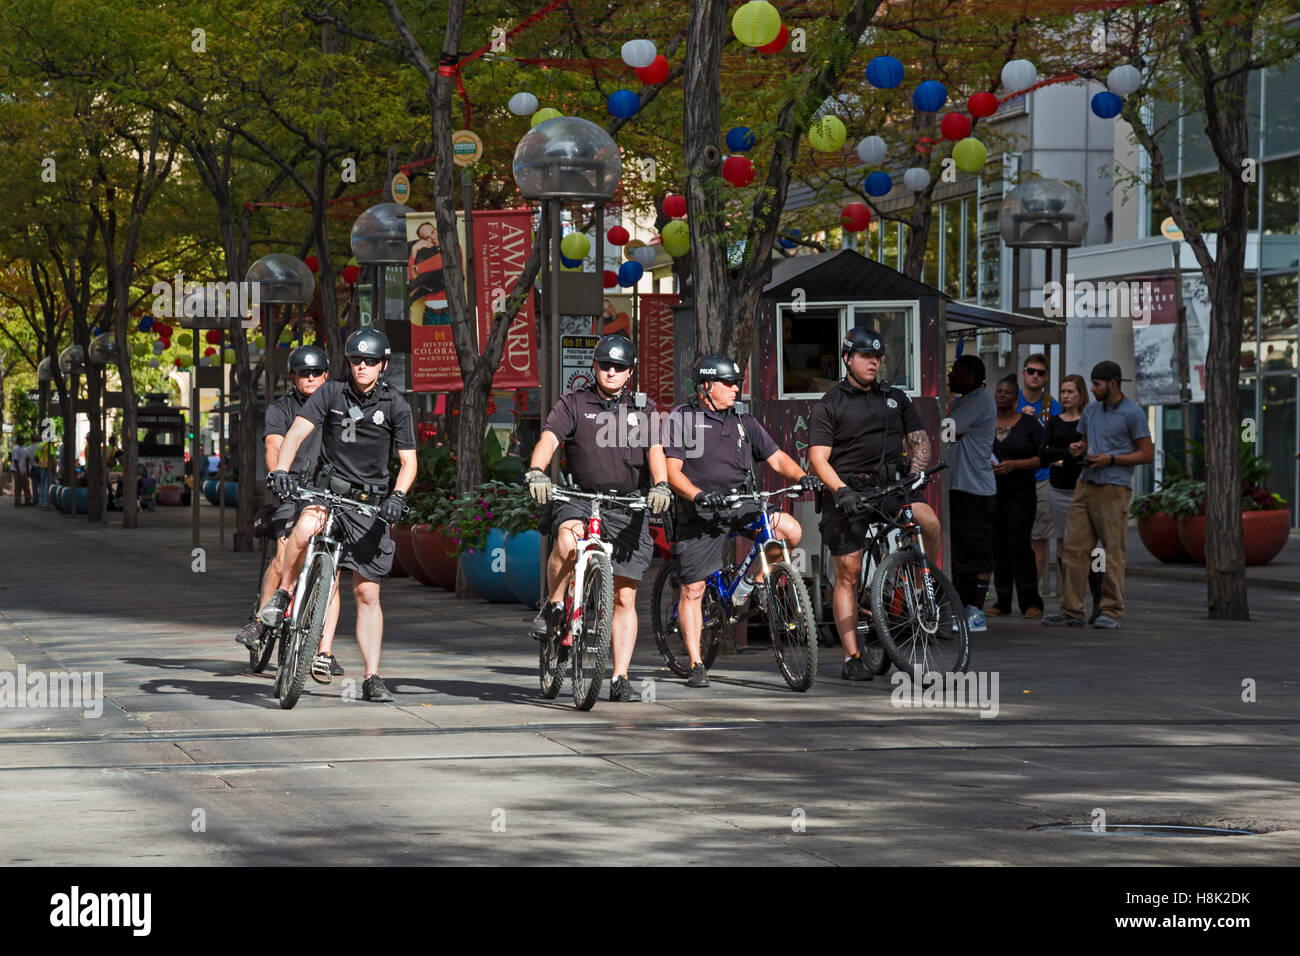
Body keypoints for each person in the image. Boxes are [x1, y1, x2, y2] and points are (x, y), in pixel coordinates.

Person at [261, 329, 417, 701]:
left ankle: (373, 677)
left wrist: (398, 496)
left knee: (366, 593)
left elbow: (409, 463)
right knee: (303, 526)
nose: (362, 366)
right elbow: (296, 433)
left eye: (371, 361)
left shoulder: (397, 404)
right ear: (348, 362)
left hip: (370, 502)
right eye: (356, 360)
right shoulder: (330, 393)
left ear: (383, 364)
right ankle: (283, 596)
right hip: (327, 490)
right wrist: (281, 470)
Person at [525, 334, 673, 702]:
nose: (610, 372)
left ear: (630, 372)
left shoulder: (644, 407)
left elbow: (656, 450)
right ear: (594, 367)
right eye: (605, 365)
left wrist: (662, 485)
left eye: (618, 367)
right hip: (580, 498)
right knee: (566, 540)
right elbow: (549, 438)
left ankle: (620, 677)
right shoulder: (574, 402)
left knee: (624, 597)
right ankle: (555, 604)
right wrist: (537, 471)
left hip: (628, 505)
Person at [663, 354, 818, 688]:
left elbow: (777, 458)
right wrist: (698, 495)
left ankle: (757, 584)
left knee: (789, 529)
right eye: (728, 384)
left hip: (741, 504)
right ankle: (696, 664)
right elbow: (672, 472)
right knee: (693, 589)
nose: (736, 389)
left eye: (737, 383)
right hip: (701, 511)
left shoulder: (743, 421)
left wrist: (802, 476)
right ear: (705, 386)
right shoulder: (683, 418)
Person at [808, 326, 939, 680]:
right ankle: (852, 656)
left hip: (892, 486)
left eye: (878, 358)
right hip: (849, 492)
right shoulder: (830, 403)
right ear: (848, 358)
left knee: (928, 520)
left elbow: (920, 441)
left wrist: (916, 472)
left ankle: (923, 588)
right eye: (866, 356)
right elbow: (818, 459)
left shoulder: (895, 398)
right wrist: (840, 491)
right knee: (847, 574)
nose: (873, 363)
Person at [236, 345, 341, 674]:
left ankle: (323, 650)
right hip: (292, 489)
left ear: (326, 374)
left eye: (316, 372)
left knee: (332, 570)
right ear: (292, 376)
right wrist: (277, 476)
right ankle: (260, 622)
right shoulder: (281, 409)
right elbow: (273, 446)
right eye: (303, 373)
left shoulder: (339, 406)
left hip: (330, 491)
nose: (310, 378)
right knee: (283, 556)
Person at [1044, 360, 1154, 629]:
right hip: (1085, 482)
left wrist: (1112, 459)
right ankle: (1072, 610)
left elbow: (1147, 453)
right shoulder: (1091, 410)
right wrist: (1078, 449)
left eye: (1096, 384)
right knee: (1073, 548)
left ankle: (1111, 610)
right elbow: (1083, 442)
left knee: (1112, 551)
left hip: (1114, 488)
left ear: (1112, 383)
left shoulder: (1133, 413)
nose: (1091, 389)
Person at [1039, 373, 1104, 623]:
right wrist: (1068, 452)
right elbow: (1042, 453)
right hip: (1059, 489)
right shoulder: (1054, 422)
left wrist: (1082, 450)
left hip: (1086, 487)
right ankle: (1070, 600)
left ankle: (1098, 599)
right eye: (1063, 391)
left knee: (1094, 548)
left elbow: (1098, 447)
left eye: (1070, 392)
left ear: (1081, 394)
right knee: (1064, 545)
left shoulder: (1090, 421)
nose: (1065, 396)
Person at [944, 354, 996, 633]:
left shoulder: (979, 400)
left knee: (977, 550)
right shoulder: (964, 399)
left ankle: (976, 609)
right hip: (960, 486)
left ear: (973, 376)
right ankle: (963, 606)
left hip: (975, 489)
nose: (951, 376)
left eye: (957, 372)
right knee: (961, 551)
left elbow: (946, 431)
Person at [989, 375, 1046, 618]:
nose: (1002, 395)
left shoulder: (1030, 424)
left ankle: (1030, 601)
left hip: (1021, 493)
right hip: (992, 493)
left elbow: (1042, 458)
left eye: (1008, 392)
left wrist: (1015, 465)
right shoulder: (986, 422)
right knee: (998, 546)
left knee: (1020, 545)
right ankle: (1002, 601)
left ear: (1016, 397)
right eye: (999, 390)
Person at [1017, 353, 1061, 586]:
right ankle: (1008, 595)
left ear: (1045, 377)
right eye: (1031, 371)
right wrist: (1018, 418)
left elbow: (1058, 442)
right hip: (1012, 478)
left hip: (1042, 479)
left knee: (1039, 538)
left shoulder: (1052, 407)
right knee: (1010, 538)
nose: (1035, 376)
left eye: (1040, 373)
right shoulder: (1011, 401)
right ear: (1023, 373)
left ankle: (1030, 594)